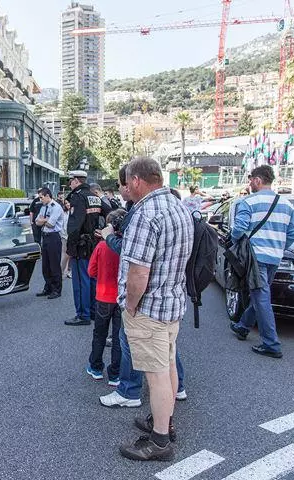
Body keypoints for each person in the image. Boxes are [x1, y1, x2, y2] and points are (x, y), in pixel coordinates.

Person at [115, 158, 194, 461]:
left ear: (136, 180)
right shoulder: (178, 206)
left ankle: (159, 441)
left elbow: (138, 273)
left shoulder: (145, 213)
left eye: (128, 181)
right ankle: (165, 422)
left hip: (149, 307)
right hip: (172, 302)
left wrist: (131, 305)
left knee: (156, 374)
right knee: (169, 366)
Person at [229, 165, 294, 358]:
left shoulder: (249, 202)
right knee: (260, 293)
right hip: (275, 256)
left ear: (258, 180)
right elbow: (293, 234)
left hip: (255, 257)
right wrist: (278, 247)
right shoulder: (287, 205)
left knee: (261, 297)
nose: (249, 183)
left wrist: (238, 245)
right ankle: (243, 326)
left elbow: (238, 230)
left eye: (251, 180)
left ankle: (271, 344)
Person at [86, 209, 124, 386]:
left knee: (99, 333)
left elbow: (91, 271)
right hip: (121, 297)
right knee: (118, 336)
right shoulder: (125, 245)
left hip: (103, 295)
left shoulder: (101, 246)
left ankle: (95, 366)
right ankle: (115, 373)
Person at [64, 170, 101, 326]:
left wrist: (70, 247)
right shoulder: (94, 197)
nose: (69, 183)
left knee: (80, 281)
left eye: (70, 180)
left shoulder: (78, 197)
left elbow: (74, 226)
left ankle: (82, 315)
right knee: (91, 279)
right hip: (93, 243)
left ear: (77, 181)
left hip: (81, 245)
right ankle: (92, 311)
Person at [35, 187, 64, 300]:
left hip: (54, 237)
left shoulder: (56, 207)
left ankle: (57, 289)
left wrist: (44, 220)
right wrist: (45, 220)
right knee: (45, 265)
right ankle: (48, 287)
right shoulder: (43, 207)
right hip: (45, 237)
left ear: (47, 196)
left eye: (41, 197)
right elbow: (37, 222)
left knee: (54, 265)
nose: (40, 200)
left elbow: (51, 224)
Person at [61, 199, 72, 279]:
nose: (67, 204)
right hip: (65, 236)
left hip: (73, 236)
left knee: (72, 255)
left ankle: (69, 271)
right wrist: (63, 235)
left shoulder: (75, 211)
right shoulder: (63, 213)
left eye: (68, 202)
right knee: (65, 255)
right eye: (66, 203)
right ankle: (61, 271)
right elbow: (62, 225)